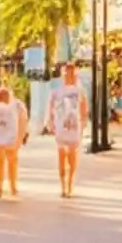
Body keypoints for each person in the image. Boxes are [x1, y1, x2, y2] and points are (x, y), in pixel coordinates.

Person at [47, 62, 87, 198]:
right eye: (66, 73)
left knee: (72, 156)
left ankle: (70, 184)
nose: (68, 75)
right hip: (61, 126)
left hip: (74, 126)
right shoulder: (57, 91)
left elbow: (83, 107)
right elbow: (50, 106)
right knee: (61, 156)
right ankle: (63, 186)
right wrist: (50, 122)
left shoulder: (79, 90)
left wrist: (83, 124)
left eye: (71, 73)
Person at [0, 87, 27, 198]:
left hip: (12, 138)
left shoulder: (17, 106)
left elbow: (22, 121)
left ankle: (13, 186)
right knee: (0, 162)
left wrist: (19, 139)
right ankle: (0, 187)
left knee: (12, 161)